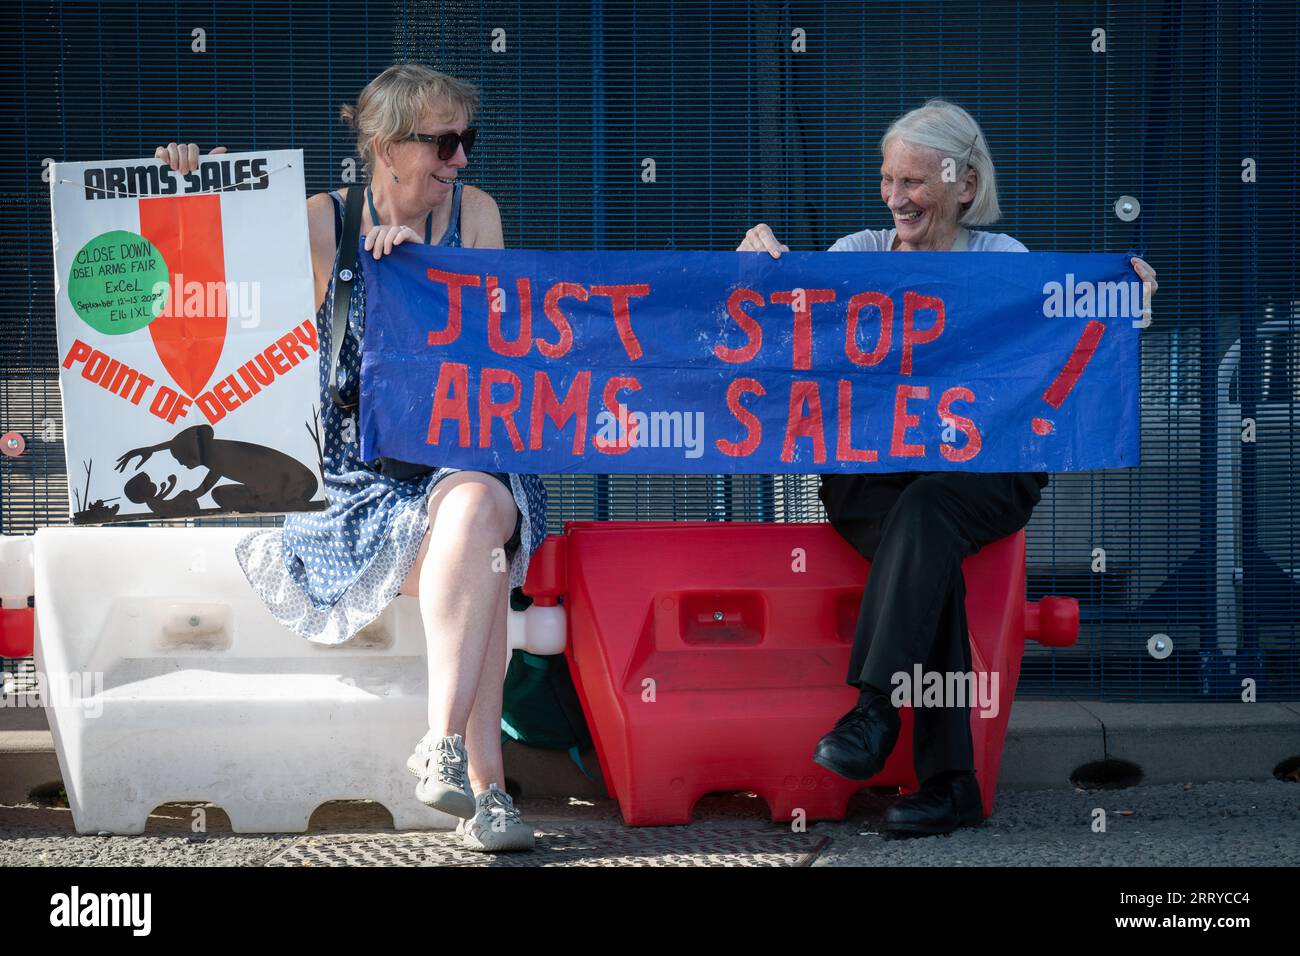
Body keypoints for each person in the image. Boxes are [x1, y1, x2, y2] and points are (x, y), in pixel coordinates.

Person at [737, 98, 1158, 837]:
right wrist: (753, 274)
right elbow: (772, 333)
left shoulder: (1004, 264)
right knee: (921, 539)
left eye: (915, 182)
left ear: (965, 185)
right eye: (886, 179)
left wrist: (1129, 303)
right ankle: (951, 784)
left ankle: (872, 711)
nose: (894, 198)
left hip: (986, 472)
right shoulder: (854, 256)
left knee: (928, 513)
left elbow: (1067, 336)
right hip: (870, 476)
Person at [154, 62, 546, 852]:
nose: (460, 159)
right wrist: (190, 197)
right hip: (359, 480)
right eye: (442, 142)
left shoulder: (474, 216)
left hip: (461, 455)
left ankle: (439, 743)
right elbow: (223, 306)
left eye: (465, 140)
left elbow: (495, 346)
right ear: (386, 147)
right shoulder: (325, 219)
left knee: (472, 508)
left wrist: (423, 280)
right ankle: (491, 792)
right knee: (481, 562)